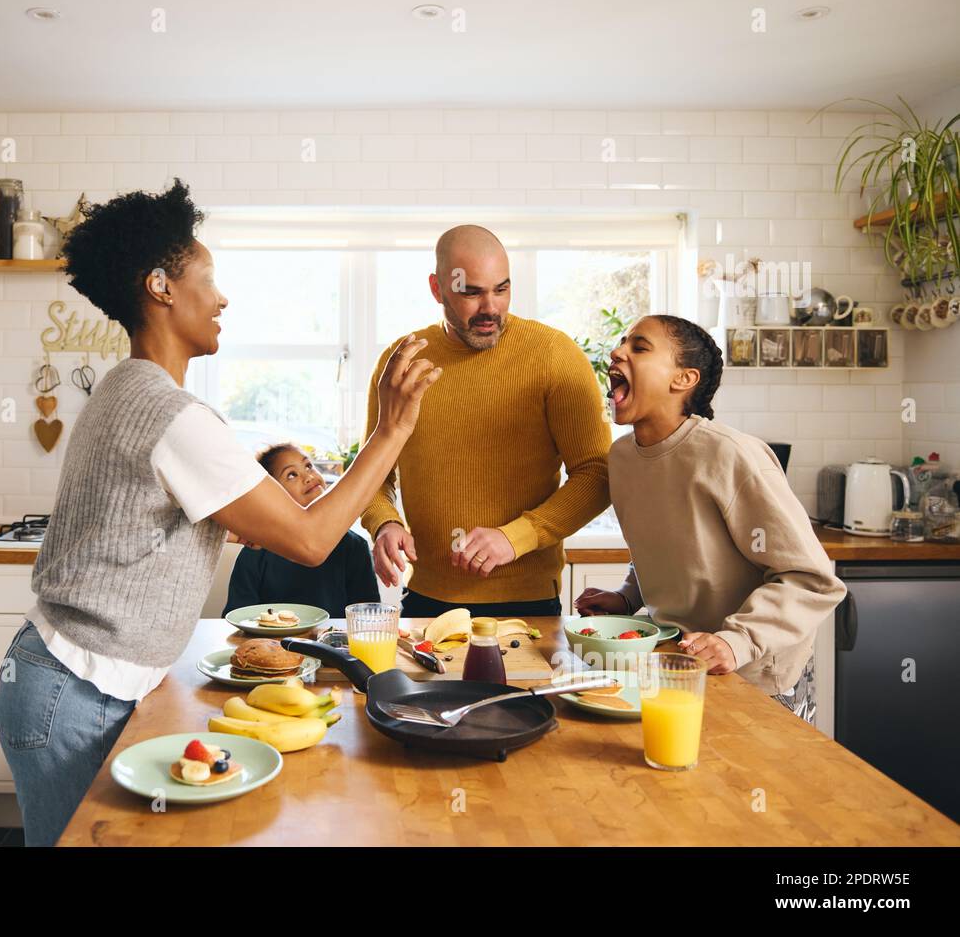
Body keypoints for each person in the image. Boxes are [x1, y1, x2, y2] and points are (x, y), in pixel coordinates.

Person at [0, 180, 440, 845]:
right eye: (209, 277)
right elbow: (312, 538)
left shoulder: (126, 388)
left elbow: (214, 519)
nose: (223, 296)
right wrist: (392, 430)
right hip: (71, 691)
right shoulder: (172, 416)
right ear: (161, 287)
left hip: (58, 679)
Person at [574, 314, 845, 721]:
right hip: (679, 665)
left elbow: (810, 579)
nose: (617, 352)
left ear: (683, 379)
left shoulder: (731, 455)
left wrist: (736, 642)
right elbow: (665, 549)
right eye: (622, 343)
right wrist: (628, 596)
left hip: (758, 678)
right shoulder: (624, 458)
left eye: (639, 347)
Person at [362, 225, 611, 619]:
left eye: (501, 289)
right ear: (437, 288)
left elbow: (597, 474)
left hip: (526, 603)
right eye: (472, 292)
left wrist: (515, 538)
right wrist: (384, 523)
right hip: (425, 601)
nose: (490, 308)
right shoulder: (403, 361)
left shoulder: (553, 354)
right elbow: (373, 472)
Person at [224, 443, 379, 616]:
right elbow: (237, 615)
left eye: (308, 466)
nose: (308, 476)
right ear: (272, 497)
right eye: (291, 475)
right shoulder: (255, 550)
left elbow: (368, 615)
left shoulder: (355, 546)